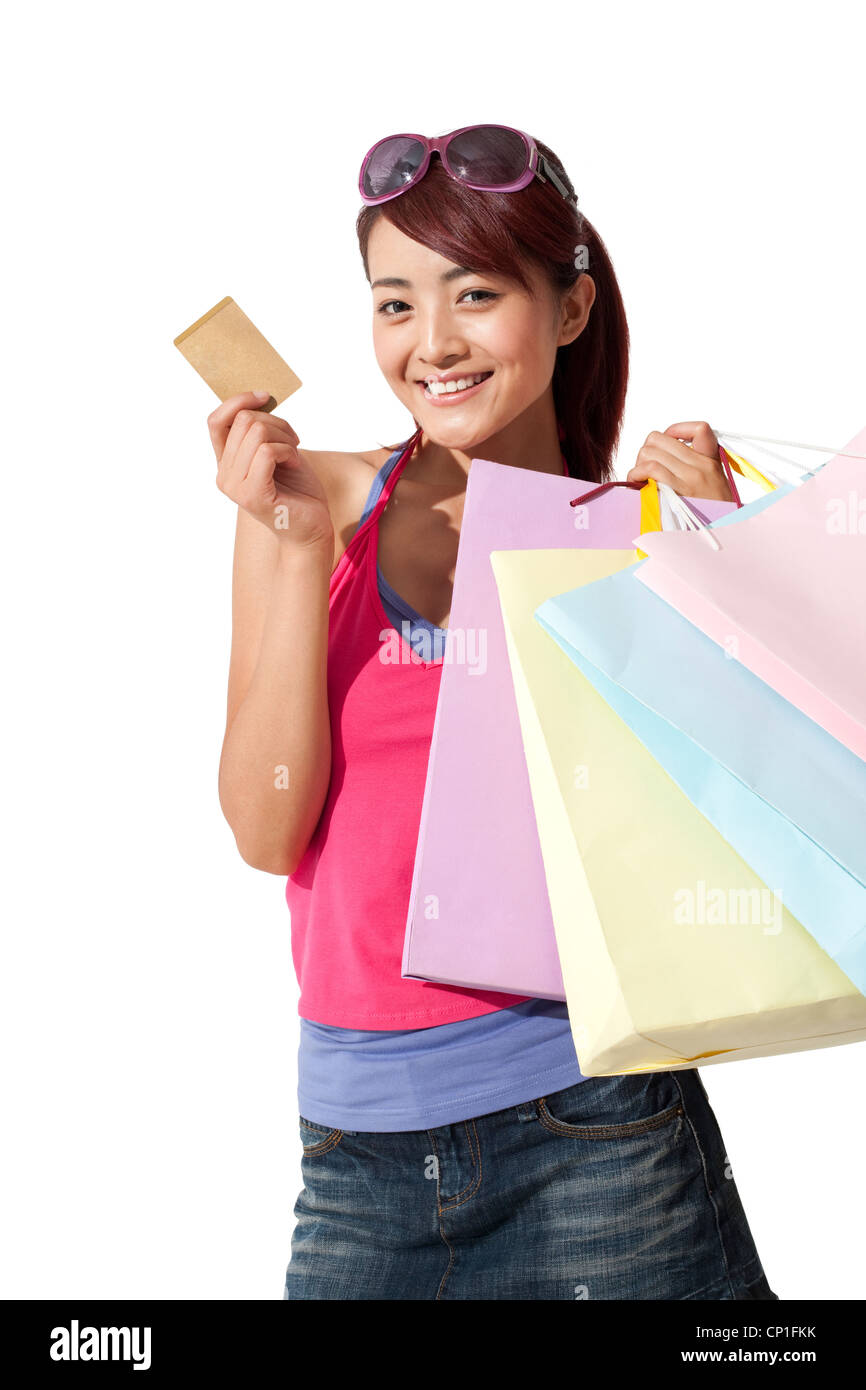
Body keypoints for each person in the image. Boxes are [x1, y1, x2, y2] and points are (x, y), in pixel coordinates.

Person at [209, 124, 778, 1301]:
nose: (433, 344)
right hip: (353, 1156)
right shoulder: (308, 499)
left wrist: (720, 554)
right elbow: (267, 831)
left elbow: (740, 821)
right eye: (394, 304)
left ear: (568, 311)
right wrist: (297, 548)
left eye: (475, 294)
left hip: (599, 1138)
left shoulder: (626, 527)